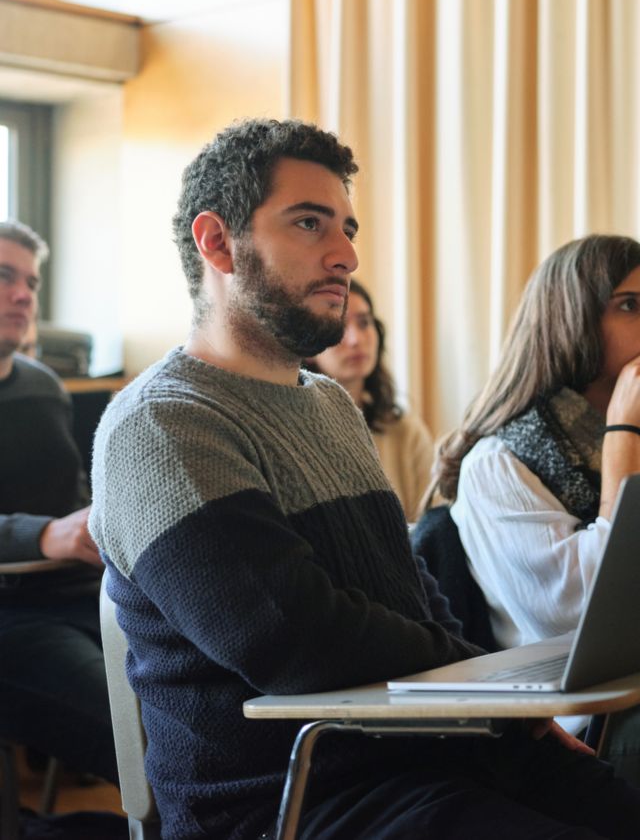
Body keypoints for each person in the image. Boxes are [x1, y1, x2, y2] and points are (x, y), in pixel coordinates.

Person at [89, 120, 640, 840]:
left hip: (432, 756)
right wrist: (488, 688)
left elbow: (412, 598)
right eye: (310, 223)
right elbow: (293, 637)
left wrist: (512, 719)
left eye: (347, 227)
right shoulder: (161, 427)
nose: (346, 254)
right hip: (295, 800)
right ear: (218, 242)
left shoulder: (328, 407)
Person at [427, 233, 640, 780]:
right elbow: (580, 616)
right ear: (571, 320)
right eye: (631, 305)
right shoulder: (499, 464)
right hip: (593, 723)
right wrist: (622, 441)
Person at [0, 219, 117, 783]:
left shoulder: (43, 386)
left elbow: (76, 498)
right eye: (5, 277)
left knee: (210, 690)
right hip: (13, 615)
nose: (23, 294)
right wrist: (44, 534)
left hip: (88, 597)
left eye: (31, 281)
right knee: (138, 730)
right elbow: (57, 523)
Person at [308, 278, 433, 521]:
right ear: (310, 345)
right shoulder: (293, 433)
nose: (356, 339)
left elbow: (432, 524)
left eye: (364, 323)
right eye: (339, 326)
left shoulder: (404, 430)